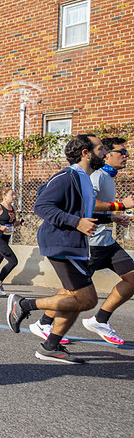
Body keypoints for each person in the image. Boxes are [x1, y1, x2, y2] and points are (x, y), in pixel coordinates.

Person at [5, 133, 124, 364]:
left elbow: (83, 214)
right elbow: (42, 206)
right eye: (100, 149)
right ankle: (23, 304)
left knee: (76, 297)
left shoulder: (84, 180)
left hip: (73, 245)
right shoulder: (68, 176)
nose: (105, 153)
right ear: (85, 153)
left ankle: (51, 345)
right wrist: (76, 223)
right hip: (61, 243)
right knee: (87, 300)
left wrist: (111, 218)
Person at [80, 137, 134, 345]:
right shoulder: (98, 176)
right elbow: (88, 205)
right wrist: (120, 206)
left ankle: (100, 320)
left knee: (132, 279)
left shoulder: (109, 177)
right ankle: (45, 321)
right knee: (74, 290)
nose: (126, 156)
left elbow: (104, 208)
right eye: (122, 152)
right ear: (107, 155)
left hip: (107, 243)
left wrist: (114, 217)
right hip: (92, 243)